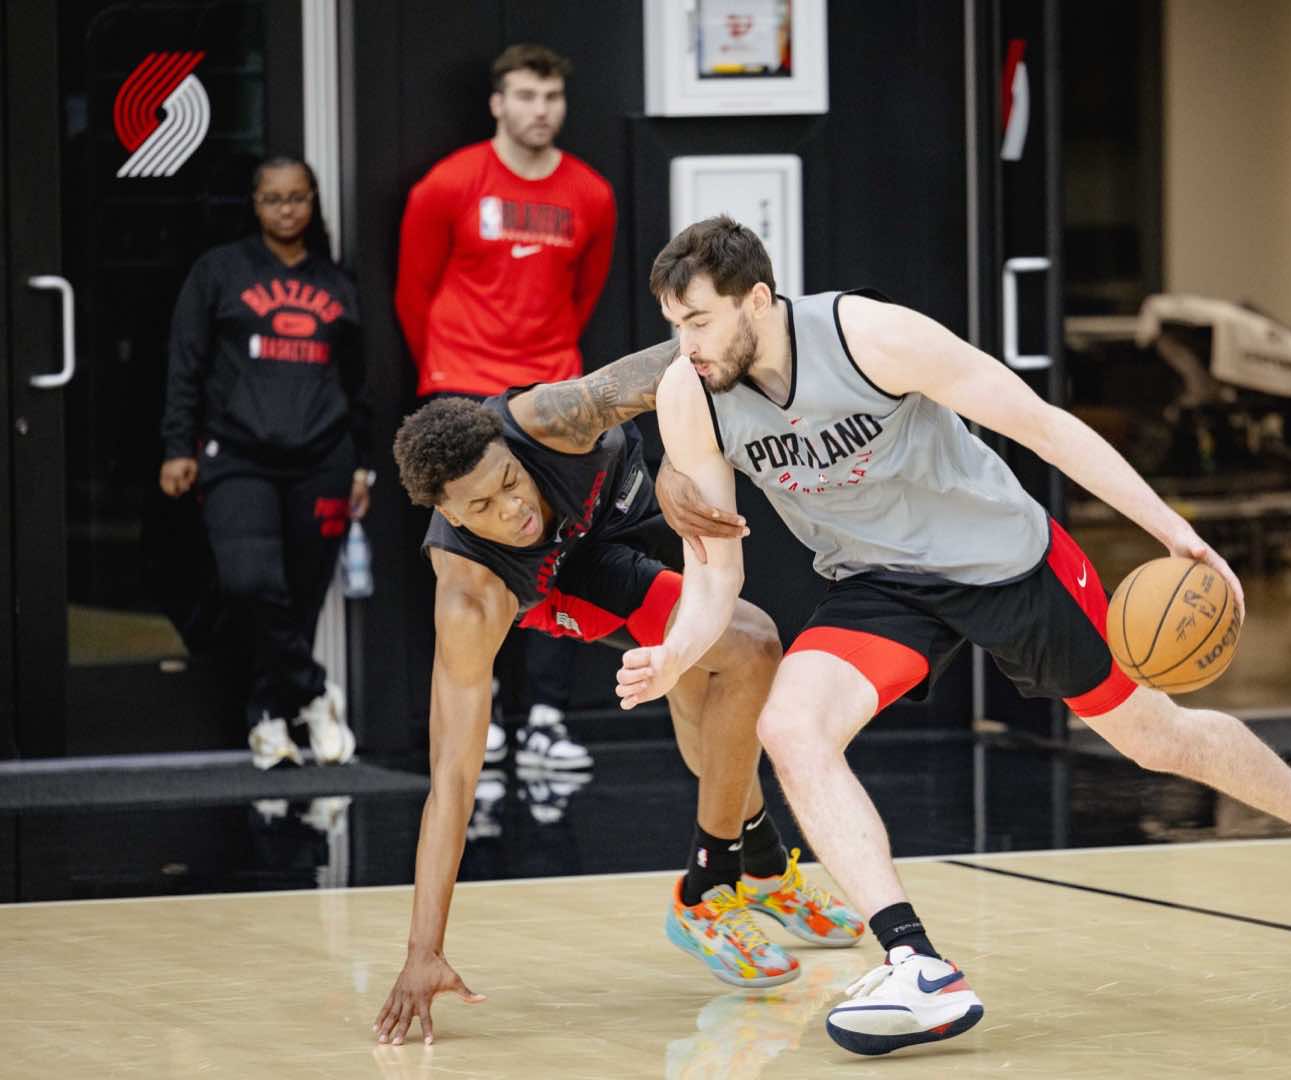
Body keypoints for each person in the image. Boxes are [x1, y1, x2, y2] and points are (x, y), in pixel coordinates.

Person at [617, 217, 1291, 1057]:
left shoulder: (870, 337)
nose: (686, 344)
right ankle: (915, 964)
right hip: (878, 582)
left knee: (1156, 738)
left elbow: (1043, 425)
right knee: (791, 727)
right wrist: (677, 651)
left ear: (757, 299)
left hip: (1003, 562)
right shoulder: (690, 395)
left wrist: (1172, 531)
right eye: (675, 324)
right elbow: (716, 571)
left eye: (699, 321)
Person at [373, 340, 864, 1046]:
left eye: (509, 481)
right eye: (482, 505)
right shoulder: (469, 597)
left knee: (712, 716)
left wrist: (791, 358)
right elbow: (452, 781)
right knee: (752, 645)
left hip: (636, 506)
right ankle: (707, 888)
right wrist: (423, 950)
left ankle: (762, 868)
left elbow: (686, 359)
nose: (514, 508)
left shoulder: (553, 419)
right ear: (450, 516)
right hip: (574, 576)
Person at [396, 42, 617, 771]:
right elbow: (414, 291)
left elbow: (585, 293)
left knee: (560, 543)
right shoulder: (448, 183)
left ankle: (547, 718)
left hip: (548, 391)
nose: (540, 110)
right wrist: (445, 373)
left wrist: (546, 369)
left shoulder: (590, 194)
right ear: (497, 102)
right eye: (525, 95)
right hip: (461, 382)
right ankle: (479, 714)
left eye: (551, 97)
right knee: (469, 556)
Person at [159, 155, 367, 770]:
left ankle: (268, 716)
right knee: (250, 582)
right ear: (254, 203)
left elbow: (359, 380)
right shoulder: (219, 270)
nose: (286, 209)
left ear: (312, 201)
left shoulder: (337, 282)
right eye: (273, 198)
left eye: (297, 198)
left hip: (323, 458)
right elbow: (185, 363)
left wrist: (362, 464)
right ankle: (314, 693)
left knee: (300, 595)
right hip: (237, 454)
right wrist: (176, 446)